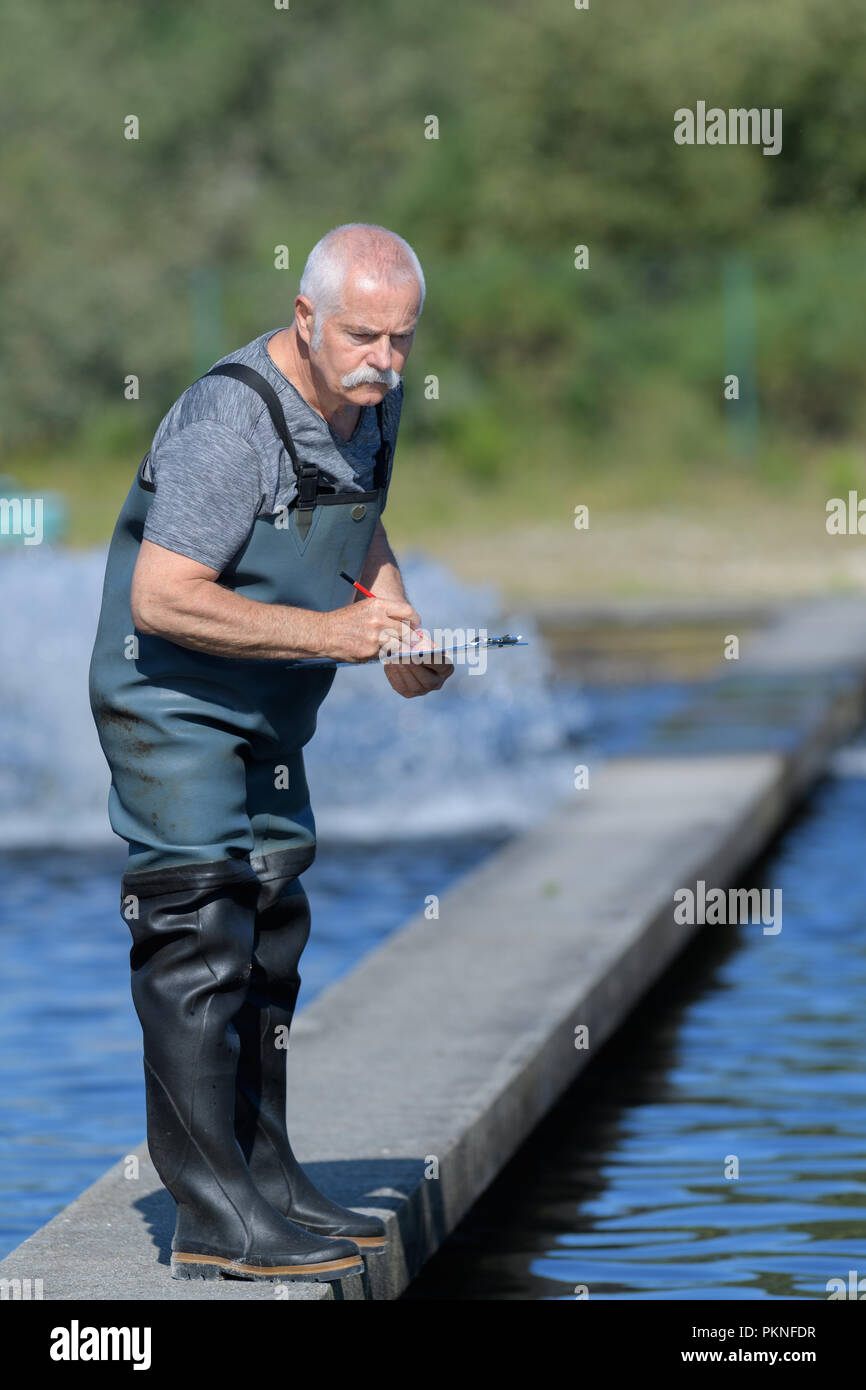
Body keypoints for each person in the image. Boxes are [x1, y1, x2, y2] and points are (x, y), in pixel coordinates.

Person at [88, 223, 454, 1283]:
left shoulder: (374, 403)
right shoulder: (227, 421)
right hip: (172, 705)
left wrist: (393, 623)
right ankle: (213, 1216)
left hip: (269, 710)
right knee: (200, 937)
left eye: (400, 339)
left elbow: (357, 525)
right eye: (361, 335)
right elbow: (163, 598)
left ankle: (266, 1177)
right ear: (305, 318)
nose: (383, 360)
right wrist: (331, 637)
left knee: (271, 934)